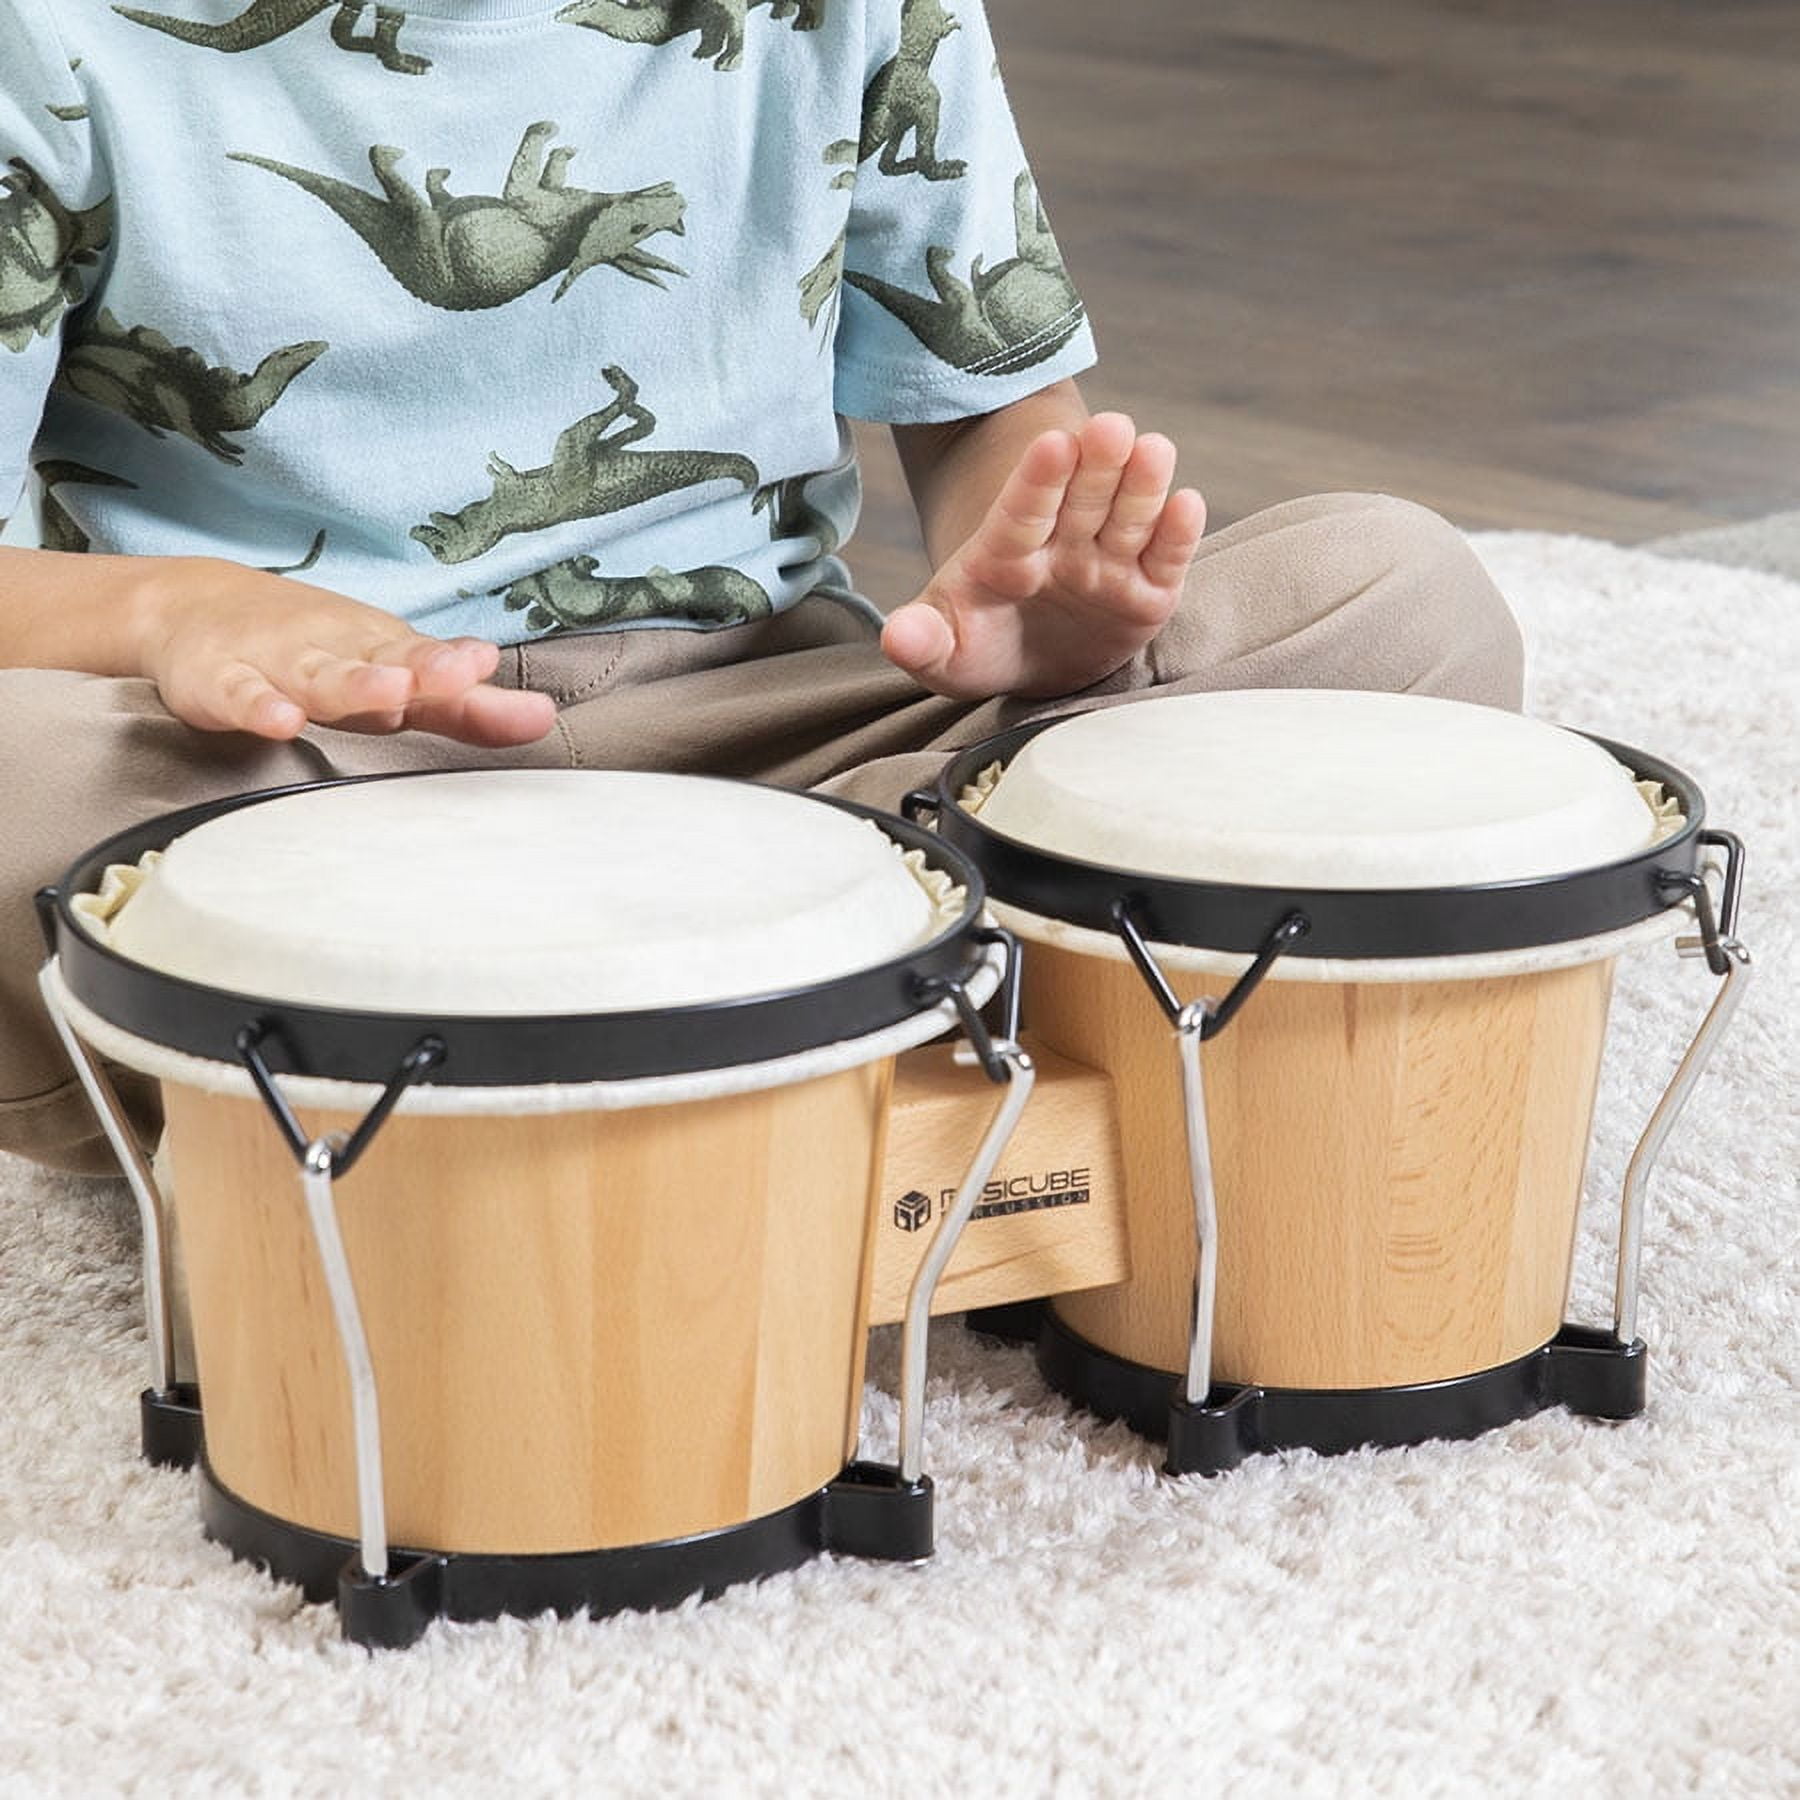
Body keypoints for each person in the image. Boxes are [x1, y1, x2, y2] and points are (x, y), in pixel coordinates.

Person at [0, 0, 1522, 1174]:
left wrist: (1045, 615)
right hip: (281, 769)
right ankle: (821, 998)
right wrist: (165, 613)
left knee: (1398, 593)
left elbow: (997, 413)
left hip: (781, 732)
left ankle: (480, 1043)